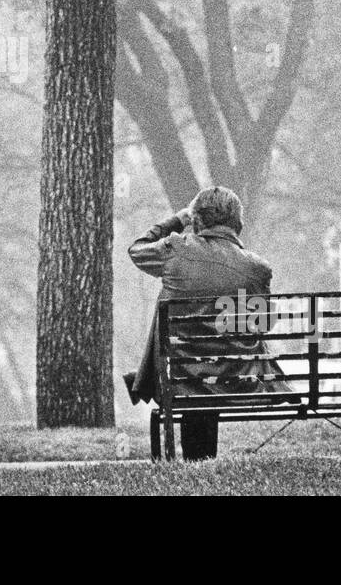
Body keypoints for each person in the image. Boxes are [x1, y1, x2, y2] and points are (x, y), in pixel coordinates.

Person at [123, 186, 291, 457]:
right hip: (235, 378)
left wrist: (178, 220)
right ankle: (201, 460)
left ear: (197, 221)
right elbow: (261, 324)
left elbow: (137, 250)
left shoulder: (176, 249)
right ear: (238, 224)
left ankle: (197, 461)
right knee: (212, 366)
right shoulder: (257, 268)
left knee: (194, 370)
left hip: (180, 377)